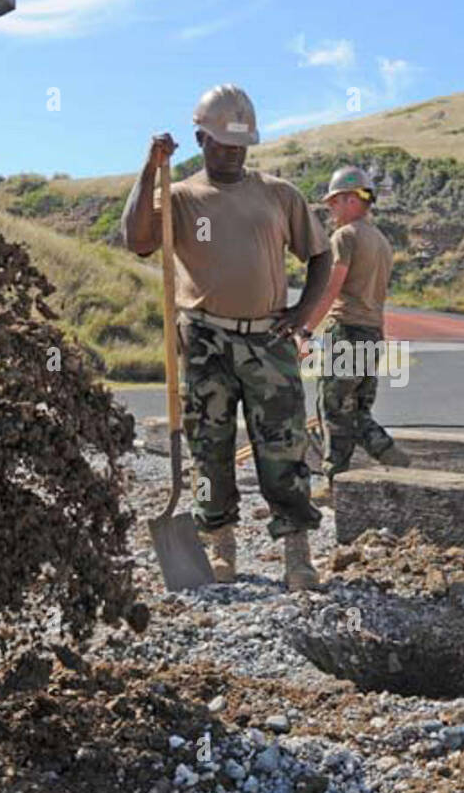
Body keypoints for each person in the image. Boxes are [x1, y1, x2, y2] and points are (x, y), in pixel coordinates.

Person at [120, 84, 331, 591]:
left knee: (283, 449)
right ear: (201, 138)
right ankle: (220, 547)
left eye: (241, 145)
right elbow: (137, 240)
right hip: (205, 339)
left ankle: (297, 556)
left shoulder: (280, 194)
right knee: (210, 448)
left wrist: (303, 314)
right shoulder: (180, 196)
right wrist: (151, 167)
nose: (233, 153)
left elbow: (320, 255)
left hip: (268, 340)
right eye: (222, 144)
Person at [302, 167, 410, 501]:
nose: (331, 210)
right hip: (373, 334)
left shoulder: (345, 237)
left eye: (334, 202)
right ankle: (399, 463)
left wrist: (305, 330)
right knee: (358, 411)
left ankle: (335, 486)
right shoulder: (381, 242)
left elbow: (330, 289)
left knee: (333, 410)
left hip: (346, 332)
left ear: (352, 199)